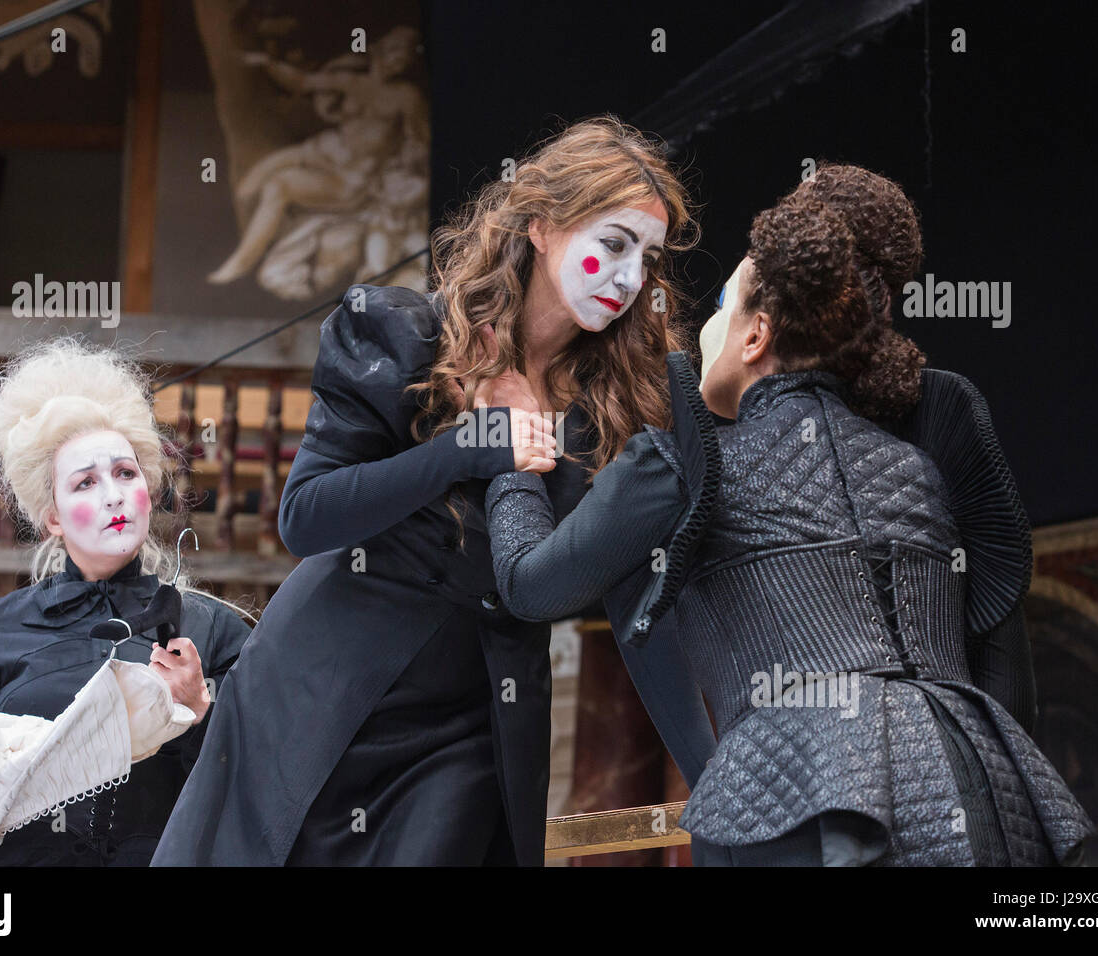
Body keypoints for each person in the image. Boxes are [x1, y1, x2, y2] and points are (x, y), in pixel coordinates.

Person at [485, 164, 1093, 865]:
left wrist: (512, 452)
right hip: (994, 788)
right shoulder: (920, 463)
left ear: (755, 337)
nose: (704, 326)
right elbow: (1003, 671)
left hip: (813, 797)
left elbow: (532, 585)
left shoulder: (680, 460)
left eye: (722, 305)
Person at [152, 116, 704, 866]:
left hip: (476, 712)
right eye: (613, 243)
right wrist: (470, 449)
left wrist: (712, 770)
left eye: (646, 257)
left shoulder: (622, 412)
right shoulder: (402, 337)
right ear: (541, 227)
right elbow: (307, 518)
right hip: (324, 683)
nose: (630, 277)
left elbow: (625, 596)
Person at [0, 338, 252, 866]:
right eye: (85, 482)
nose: (113, 495)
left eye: (126, 473)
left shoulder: (213, 630)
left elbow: (258, 784)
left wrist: (199, 712)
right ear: (52, 516)